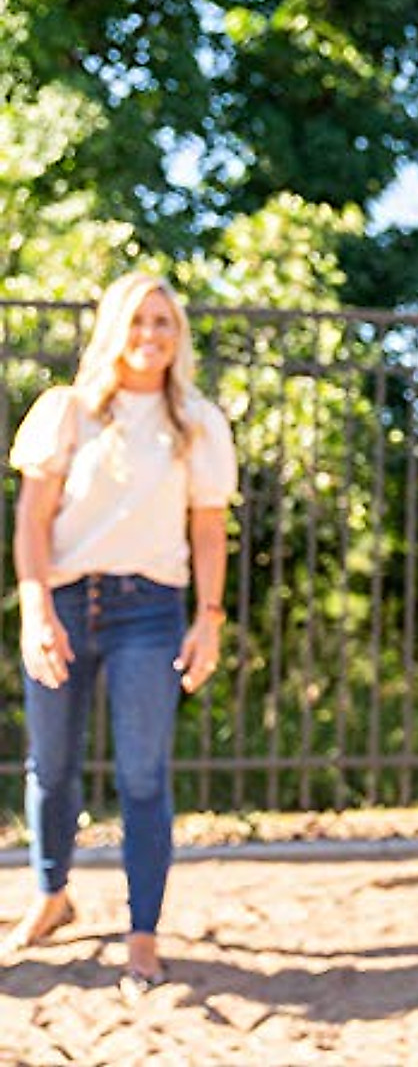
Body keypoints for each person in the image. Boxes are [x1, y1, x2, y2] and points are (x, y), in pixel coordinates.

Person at [1, 272, 237, 996]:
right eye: (139, 321)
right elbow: (32, 522)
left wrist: (208, 620)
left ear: (179, 336)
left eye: (165, 323)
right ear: (114, 329)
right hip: (68, 601)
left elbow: (207, 530)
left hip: (151, 610)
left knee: (142, 776)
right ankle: (51, 893)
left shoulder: (197, 421)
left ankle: (142, 935)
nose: (152, 336)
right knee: (52, 767)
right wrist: (36, 608)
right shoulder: (65, 412)